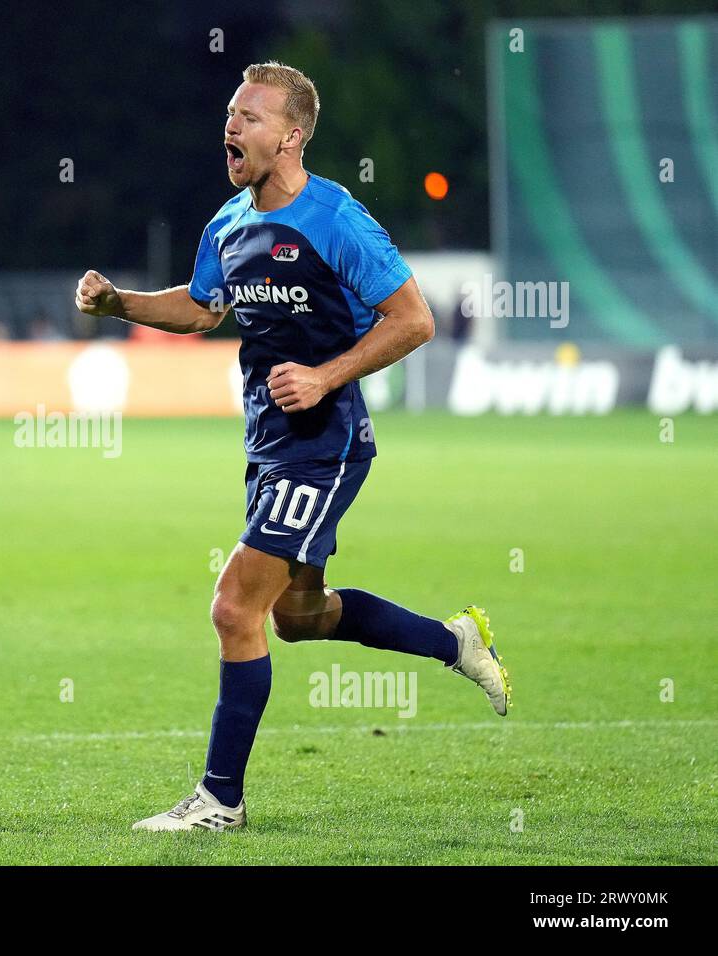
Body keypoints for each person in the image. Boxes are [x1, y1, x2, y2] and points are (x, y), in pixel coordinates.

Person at [74, 62, 510, 832]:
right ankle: (454, 640)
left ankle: (220, 800)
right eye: (230, 115)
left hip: (326, 443)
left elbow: (413, 320)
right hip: (269, 446)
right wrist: (120, 305)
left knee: (233, 606)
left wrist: (325, 376)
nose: (231, 127)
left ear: (291, 136)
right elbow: (205, 308)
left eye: (249, 116)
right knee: (298, 617)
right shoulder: (229, 223)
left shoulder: (337, 219)